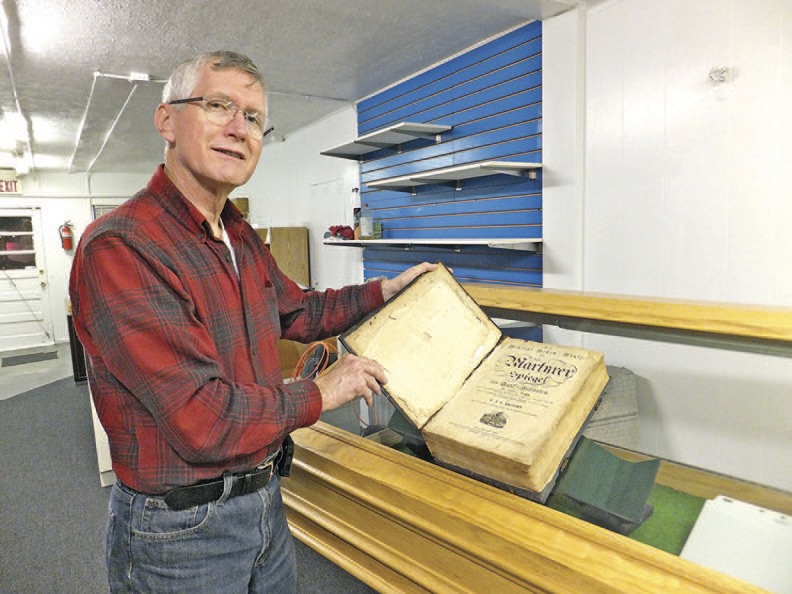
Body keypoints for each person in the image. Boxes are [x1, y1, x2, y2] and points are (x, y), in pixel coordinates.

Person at [69, 50, 436, 593]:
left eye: (255, 118)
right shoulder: (122, 246)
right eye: (219, 106)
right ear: (166, 120)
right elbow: (202, 418)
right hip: (182, 530)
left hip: (263, 500)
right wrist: (321, 391)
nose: (239, 129)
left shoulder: (237, 235)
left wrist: (385, 289)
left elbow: (301, 310)